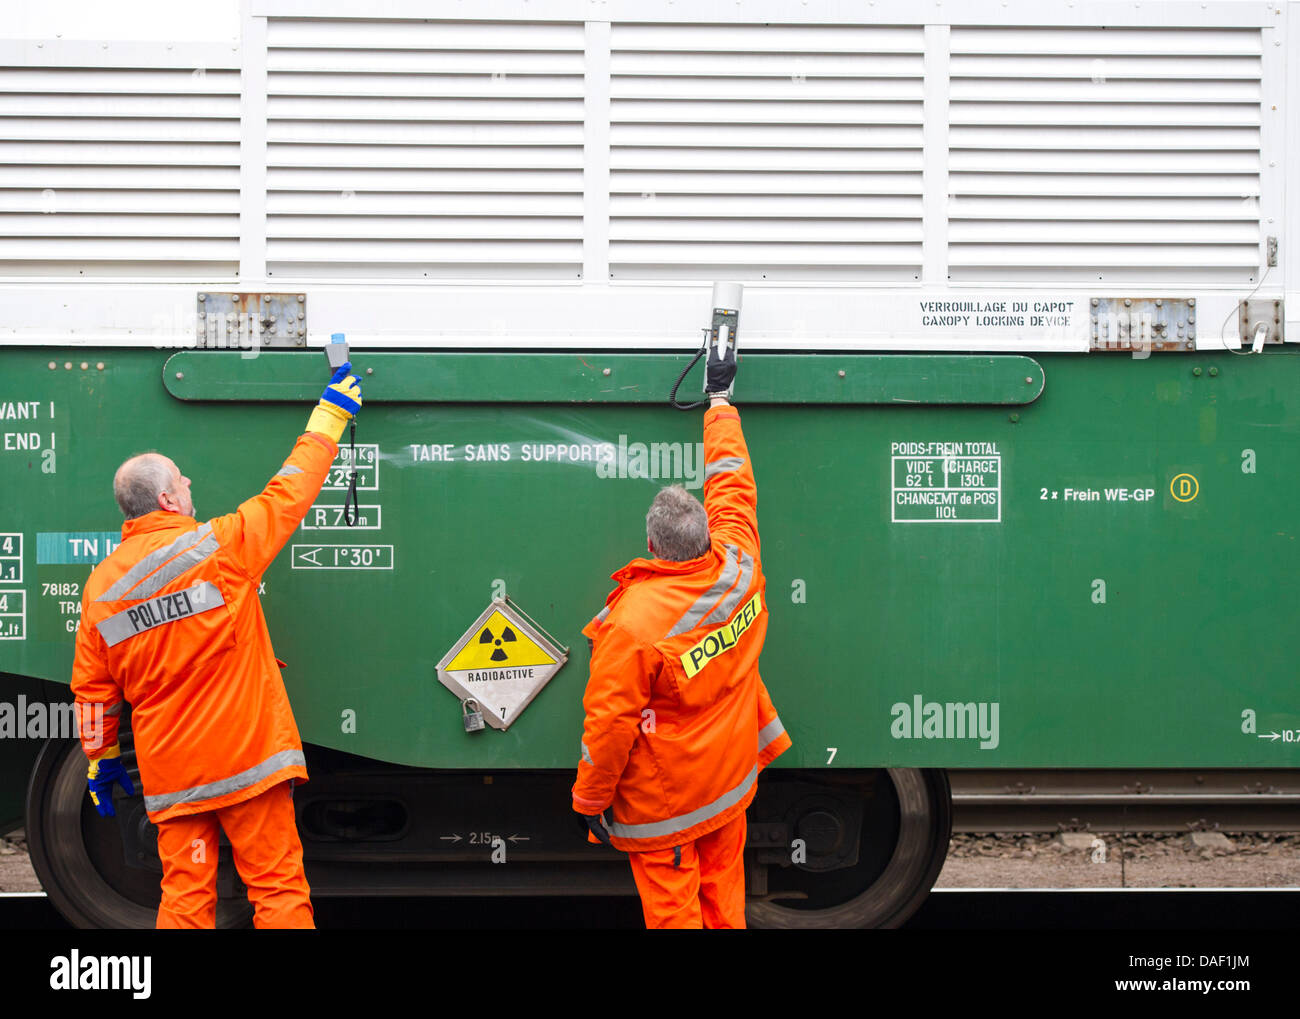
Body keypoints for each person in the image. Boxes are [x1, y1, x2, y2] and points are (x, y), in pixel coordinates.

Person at [70, 362, 363, 929]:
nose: (189, 486)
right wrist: (330, 415)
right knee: (277, 891)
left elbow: (92, 691)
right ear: (167, 499)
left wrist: (101, 762)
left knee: (184, 900)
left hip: (174, 776)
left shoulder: (101, 589)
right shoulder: (219, 549)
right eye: (182, 481)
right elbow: (289, 492)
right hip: (248, 760)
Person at [572, 342, 791, 929]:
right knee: (725, 905)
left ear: (653, 548)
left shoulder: (634, 624)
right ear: (704, 538)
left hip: (668, 802)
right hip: (730, 782)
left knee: (675, 915)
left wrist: (590, 803)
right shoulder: (739, 562)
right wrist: (719, 401)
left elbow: (609, 725)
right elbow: (732, 485)